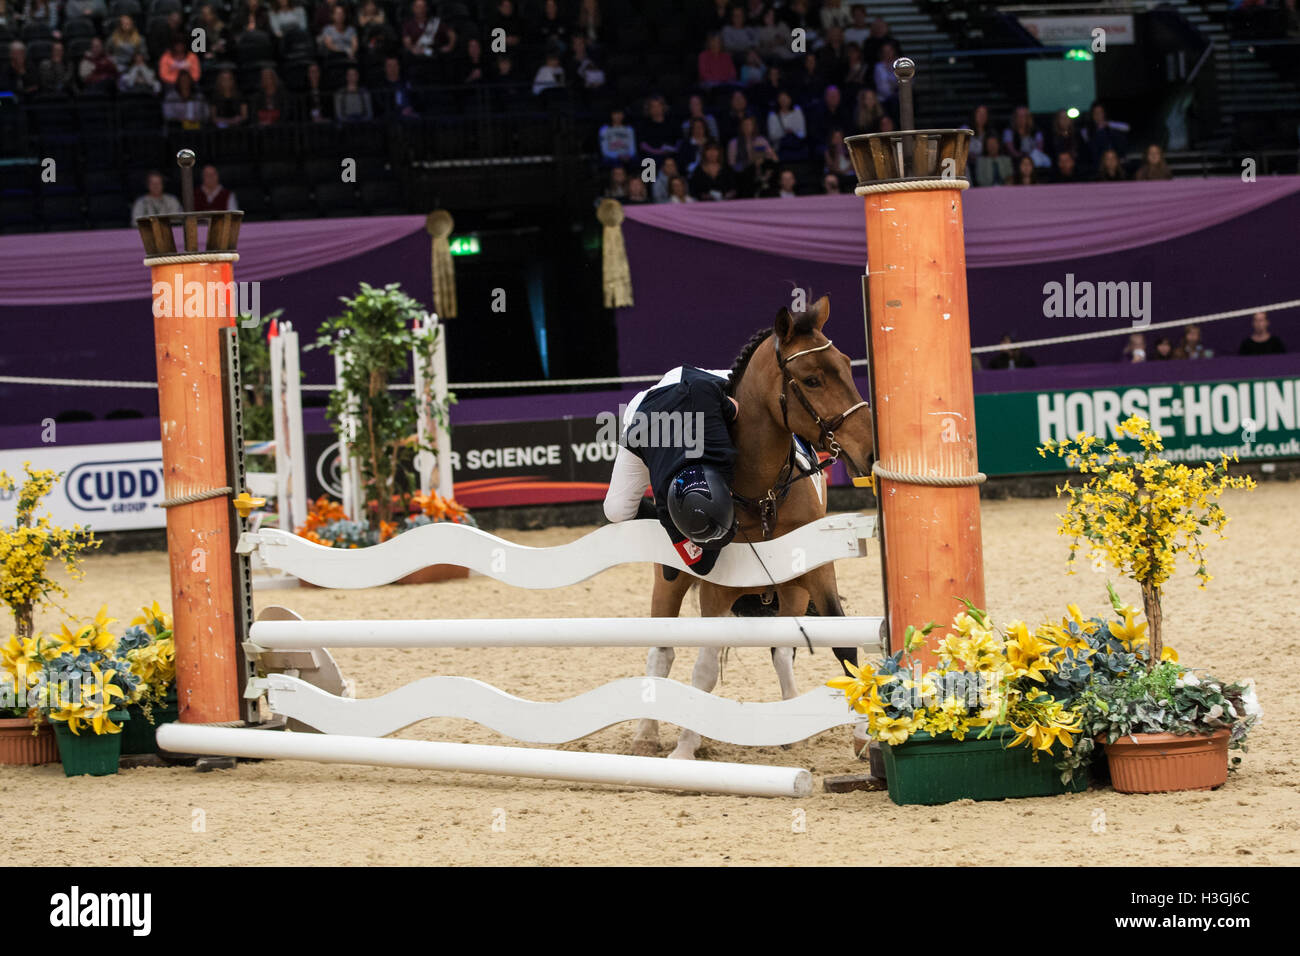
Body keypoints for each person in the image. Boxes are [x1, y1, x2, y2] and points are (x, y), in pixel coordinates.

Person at [603, 366, 741, 575]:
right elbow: (700, 567)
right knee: (615, 511)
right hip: (644, 413)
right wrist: (675, 546)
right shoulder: (667, 503)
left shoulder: (721, 453)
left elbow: (736, 408)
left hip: (698, 382)